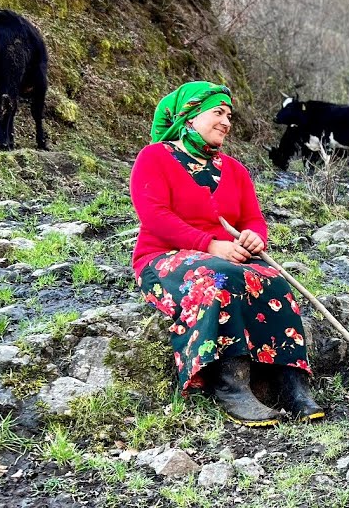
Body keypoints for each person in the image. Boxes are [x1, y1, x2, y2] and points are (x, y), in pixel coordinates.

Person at [129, 81, 323, 426]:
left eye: (229, 115)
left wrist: (253, 238)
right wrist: (209, 244)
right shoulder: (154, 158)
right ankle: (229, 383)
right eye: (217, 112)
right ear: (188, 118)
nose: (226, 122)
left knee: (273, 280)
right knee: (219, 275)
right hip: (163, 259)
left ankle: (289, 384)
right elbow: (155, 217)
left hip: (226, 258)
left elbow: (252, 219)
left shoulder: (234, 170)